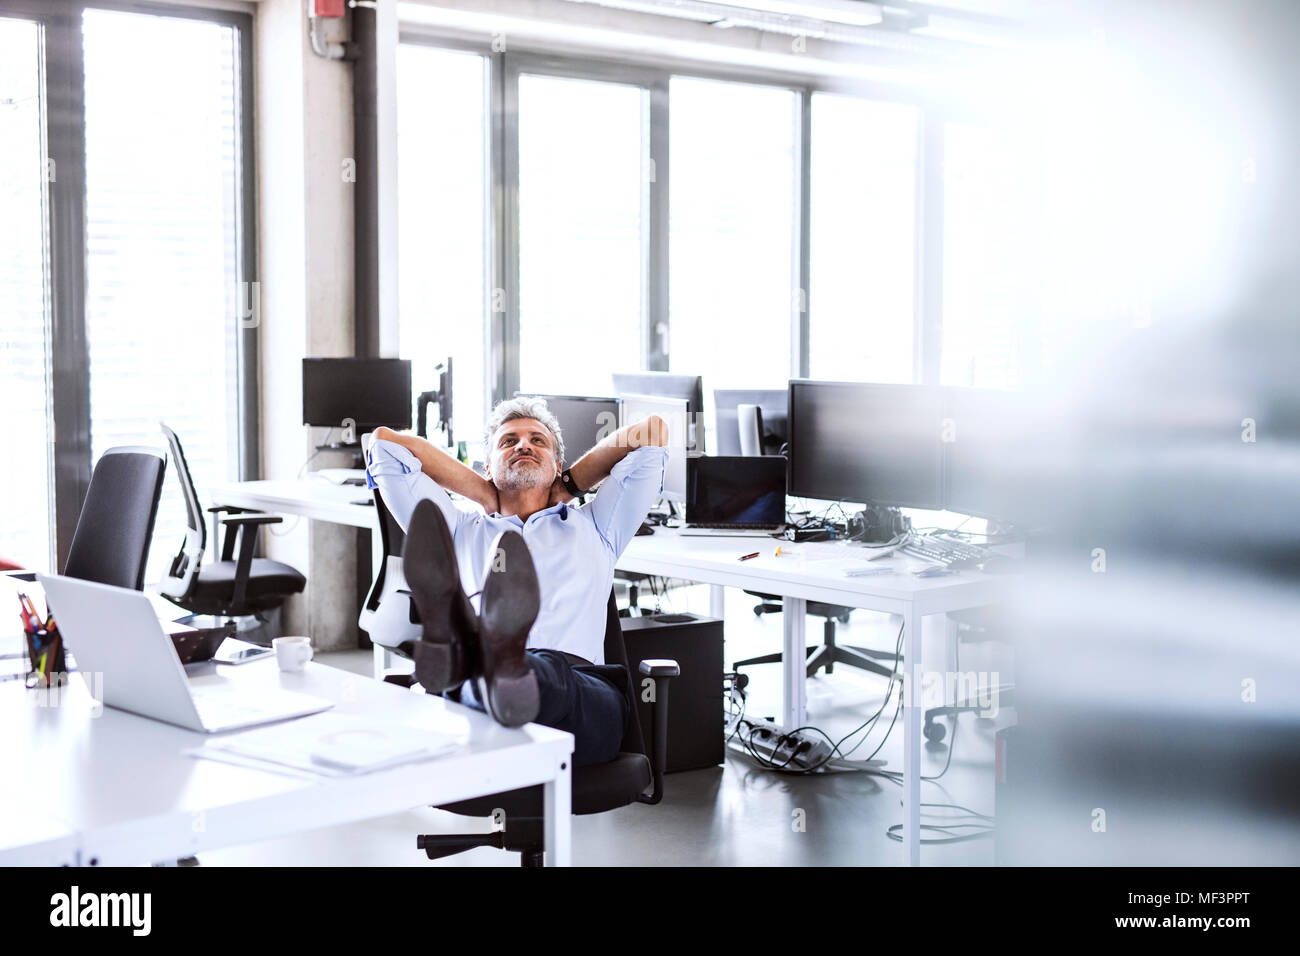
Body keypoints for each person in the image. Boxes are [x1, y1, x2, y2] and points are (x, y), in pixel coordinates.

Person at [365, 397, 668, 765]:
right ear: (488, 467)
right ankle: (488, 667)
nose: (523, 445)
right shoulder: (460, 529)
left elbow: (651, 432)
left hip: (583, 696)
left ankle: (487, 665)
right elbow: (385, 444)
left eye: (537, 441)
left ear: (557, 465)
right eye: (508, 442)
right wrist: (480, 491)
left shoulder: (598, 525)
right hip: (490, 694)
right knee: (488, 681)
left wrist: (570, 484)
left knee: (541, 676)